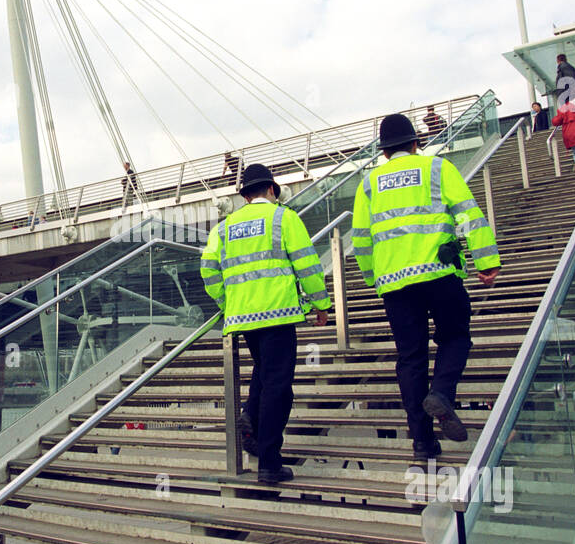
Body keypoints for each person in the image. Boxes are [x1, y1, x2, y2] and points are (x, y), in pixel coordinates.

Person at [352, 114, 501, 461]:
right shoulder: (437, 168)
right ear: (416, 143)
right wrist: (486, 260)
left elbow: (360, 238)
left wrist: (372, 276)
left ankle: (422, 442)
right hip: (439, 273)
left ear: (384, 152)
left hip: (395, 283)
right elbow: (468, 214)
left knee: (410, 357)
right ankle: (443, 392)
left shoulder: (369, 183)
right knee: (455, 336)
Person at [200, 163, 330, 484]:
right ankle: (270, 463)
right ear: (272, 190)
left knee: (264, 371)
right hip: (279, 314)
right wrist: (321, 304)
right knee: (278, 387)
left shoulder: (225, 227)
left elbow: (208, 270)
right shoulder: (283, 218)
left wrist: (228, 302)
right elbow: (307, 264)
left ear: (245, 196)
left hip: (244, 317)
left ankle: (250, 417)